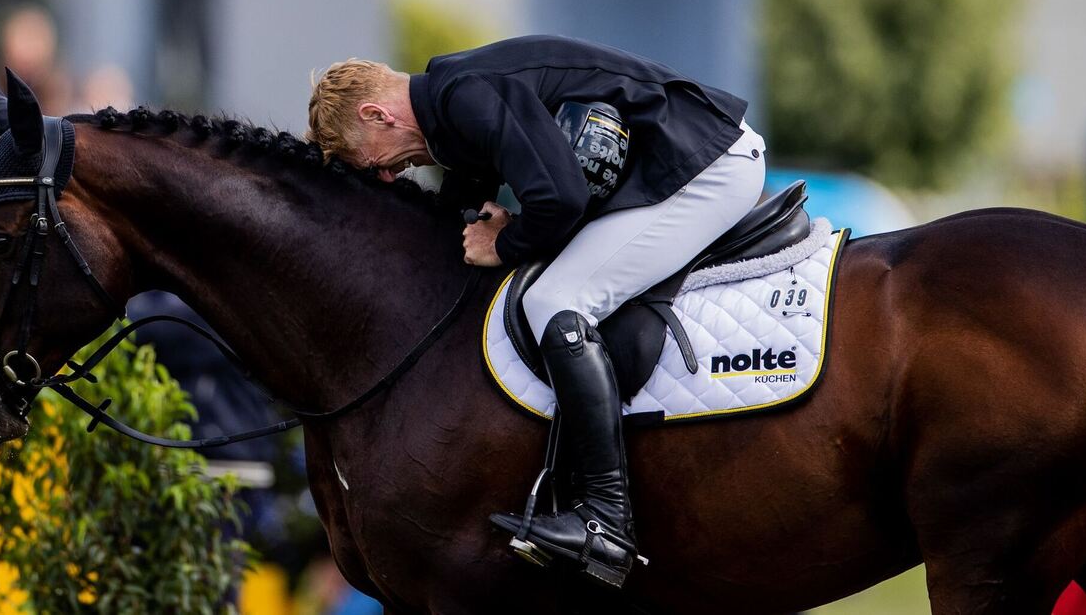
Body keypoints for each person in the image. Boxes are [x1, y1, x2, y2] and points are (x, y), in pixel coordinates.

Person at [306, 35, 766, 588]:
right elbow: (468, 193)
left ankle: (607, 520)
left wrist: (502, 244)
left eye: (372, 162)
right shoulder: (448, 97)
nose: (386, 176)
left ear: (376, 114)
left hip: (707, 167)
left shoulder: (462, 95)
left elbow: (560, 199)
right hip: (686, 158)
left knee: (557, 298)